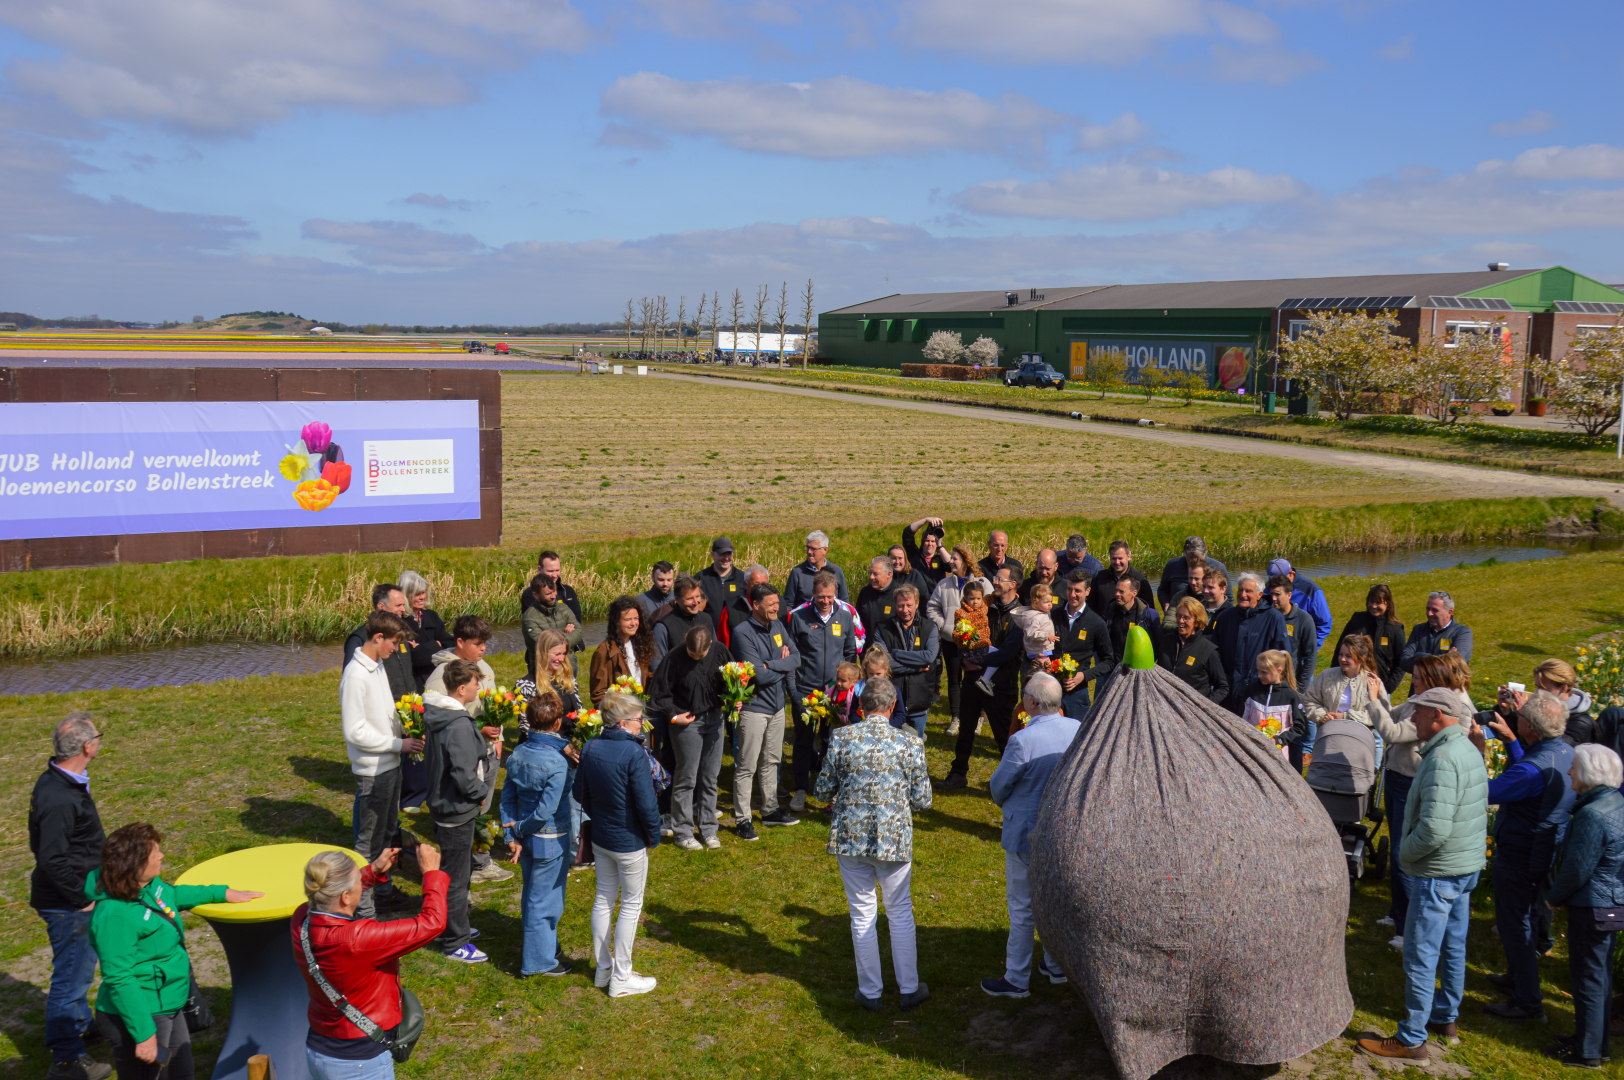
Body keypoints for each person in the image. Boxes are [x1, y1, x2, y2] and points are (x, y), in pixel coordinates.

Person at [1358, 688, 1487, 1063]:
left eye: (1418, 713)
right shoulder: (1467, 748)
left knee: (1420, 952)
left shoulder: (1443, 759)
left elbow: (1432, 830)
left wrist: (1405, 856)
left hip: (1439, 870)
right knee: (1453, 945)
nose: (1411, 719)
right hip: (1464, 867)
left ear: (1439, 716)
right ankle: (1446, 1018)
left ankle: (1412, 1038)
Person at [88, 824, 261, 1080]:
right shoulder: (114, 916)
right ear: (134, 865)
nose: (162, 856)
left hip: (169, 1002)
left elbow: (174, 895)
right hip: (143, 1015)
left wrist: (222, 892)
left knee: (181, 1071)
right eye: (154, 852)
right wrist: (145, 1035)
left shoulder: (148, 886)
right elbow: (120, 979)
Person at [813, 677, 933, 1013]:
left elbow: (822, 791)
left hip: (852, 839)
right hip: (894, 839)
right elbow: (923, 800)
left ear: (861, 707)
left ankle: (870, 992)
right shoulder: (909, 743)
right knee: (899, 911)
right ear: (892, 706)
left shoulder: (842, 738)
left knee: (862, 913)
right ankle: (909, 988)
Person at [293, 845, 447, 1080]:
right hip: (359, 1064)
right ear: (345, 896)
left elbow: (332, 896)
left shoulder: (301, 919)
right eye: (357, 883)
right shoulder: (358, 940)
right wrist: (431, 874)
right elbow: (432, 922)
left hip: (319, 1049)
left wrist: (372, 872)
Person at [1477, 690, 1576, 1022]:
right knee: (1527, 919)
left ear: (1531, 726)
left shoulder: (1534, 768)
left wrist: (1480, 752)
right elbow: (1529, 777)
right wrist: (1509, 741)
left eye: (1520, 716)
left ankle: (1528, 1002)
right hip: (1545, 850)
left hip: (1521, 851)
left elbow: (1488, 791)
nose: (1514, 717)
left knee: (1514, 923)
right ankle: (1517, 978)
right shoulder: (1563, 752)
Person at [981, 673, 1080, 998]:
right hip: (1062, 831)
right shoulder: (1077, 729)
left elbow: (998, 787)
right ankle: (1055, 965)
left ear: (1033, 702)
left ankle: (1016, 978)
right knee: (1054, 900)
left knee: (1023, 908)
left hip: (1025, 831)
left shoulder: (1022, 740)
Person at [1369, 655, 1471, 949]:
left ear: (1428, 679)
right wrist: (1380, 697)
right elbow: (1393, 715)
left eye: (1415, 676)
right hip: (1397, 777)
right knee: (1398, 846)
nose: (1411, 680)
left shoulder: (1433, 709)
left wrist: (1375, 699)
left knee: (1405, 852)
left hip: (1410, 781)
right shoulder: (1418, 700)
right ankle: (1398, 914)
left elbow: (1392, 731)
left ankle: (1410, 929)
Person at [30, 715, 110, 1080]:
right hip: (67, 904)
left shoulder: (61, 780)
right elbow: (50, 858)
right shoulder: (60, 797)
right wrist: (80, 898)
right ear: (86, 747)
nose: (99, 741)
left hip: (72, 895)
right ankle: (66, 1060)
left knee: (80, 967)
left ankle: (81, 1025)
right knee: (71, 978)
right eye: (98, 736)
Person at [573, 691, 662, 997]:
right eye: (639, 720)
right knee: (631, 905)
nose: (642, 725)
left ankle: (603, 969)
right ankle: (622, 977)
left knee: (603, 899)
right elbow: (647, 803)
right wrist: (654, 835)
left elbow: (577, 792)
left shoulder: (591, 745)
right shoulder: (634, 754)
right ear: (623, 722)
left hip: (601, 838)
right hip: (629, 840)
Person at [1543, 744, 1624, 1068]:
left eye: (1574, 767)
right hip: (1613, 902)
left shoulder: (1592, 813)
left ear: (1590, 774)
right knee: (1600, 977)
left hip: (1591, 906)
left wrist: (1553, 897)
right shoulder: (1615, 802)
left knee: (1588, 979)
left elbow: (1577, 867)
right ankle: (1595, 1043)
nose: (1569, 772)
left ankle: (1587, 1053)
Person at [341, 610, 423, 918]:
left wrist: (405, 727)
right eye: (394, 642)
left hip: (391, 765)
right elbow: (354, 731)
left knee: (389, 832)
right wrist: (397, 743)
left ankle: (384, 893)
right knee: (368, 843)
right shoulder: (356, 675)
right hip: (373, 771)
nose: (396, 649)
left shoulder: (376, 666)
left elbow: (383, 713)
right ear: (378, 638)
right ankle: (363, 909)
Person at [424, 659, 501, 963]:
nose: (479, 688)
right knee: (456, 878)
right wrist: (481, 793)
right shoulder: (456, 724)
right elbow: (464, 775)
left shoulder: (445, 717)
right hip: (456, 810)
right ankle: (455, 942)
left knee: (453, 873)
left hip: (446, 806)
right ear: (461, 688)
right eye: (475, 683)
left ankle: (453, 926)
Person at [422, 616, 505, 885]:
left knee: (483, 808)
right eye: (477, 644)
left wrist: (499, 735)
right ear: (459, 642)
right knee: (470, 805)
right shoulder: (441, 677)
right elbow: (443, 722)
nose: (483, 649)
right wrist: (479, 732)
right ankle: (465, 866)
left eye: (485, 644)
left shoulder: (483, 667)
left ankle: (479, 860)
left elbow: (493, 704)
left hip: (489, 751)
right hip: (466, 756)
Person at [502, 693, 574, 977]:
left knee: (533, 894)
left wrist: (512, 836)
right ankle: (538, 963)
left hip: (526, 840)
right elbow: (546, 811)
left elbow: (507, 799)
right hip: (550, 839)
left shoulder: (517, 753)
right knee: (545, 901)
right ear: (557, 723)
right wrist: (518, 830)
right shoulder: (557, 763)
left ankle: (546, 945)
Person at [728, 582, 802, 837]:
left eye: (777, 603)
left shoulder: (778, 625)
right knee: (747, 765)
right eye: (770, 604)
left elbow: (797, 658)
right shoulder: (742, 632)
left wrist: (773, 666)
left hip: (777, 707)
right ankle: (742, 819)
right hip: (753, 708)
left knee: (772, 760)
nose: (776, 607)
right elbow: (757, 675)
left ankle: (770, 810)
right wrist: (780, 665)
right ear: (755, 605)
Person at [649, 624, 731, 850]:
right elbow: (658, 695)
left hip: (714, 719)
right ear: (686, 643)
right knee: (686, 778)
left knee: (710, 777)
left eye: (700, 655)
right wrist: (674, 717)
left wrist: (736, 695)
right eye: (692, 654)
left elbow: (733, 676)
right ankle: (683, 832)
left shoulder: (720, 651)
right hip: (687, 723)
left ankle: (709, 829)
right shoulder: (674, 658)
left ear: (710, 646)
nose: (696, 658)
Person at [787, 572, 860, 809]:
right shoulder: (798, 617)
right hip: (806, 691)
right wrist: (794, 692)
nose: (826, 601)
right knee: (803, 740)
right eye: (821, 597)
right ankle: (800, 789)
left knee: (833, 741)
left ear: (835, 594)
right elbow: (789, 657)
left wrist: (847, 689)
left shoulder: (845, 616)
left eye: (830, 597)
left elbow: (850, 653)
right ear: (813, 594)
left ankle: (830, 789)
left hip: (835, 693)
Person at [948, 568, 1023, 782]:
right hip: (972, 681)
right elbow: (964, 635)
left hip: (1001, 686)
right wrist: (963, 658)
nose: (995, 582)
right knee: (965, 731)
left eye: (1000, 579)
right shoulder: (984, 607)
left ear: (1012, 585)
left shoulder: (1020, 615)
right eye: (995, 578)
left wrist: (978, 660)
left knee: (1004, 737)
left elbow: (1008, 653)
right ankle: (958, 773)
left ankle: (1012, 781)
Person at [927, 548, 993, 737]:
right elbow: (932, 608)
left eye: (955, 559)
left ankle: (978, 717)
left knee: (977, 678)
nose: (951, 562)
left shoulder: (982, 583)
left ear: (965, 561)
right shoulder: (944, 584)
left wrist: (979, 629)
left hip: (976, 643)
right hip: (952, 640)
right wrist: (944, 626)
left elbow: (990, 606)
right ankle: (956, 718)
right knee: (955, 680)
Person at [1302, 635, 1390, 775]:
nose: (1343, 659)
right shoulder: (1327, 676)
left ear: (1362, 658)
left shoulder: (1372, 682)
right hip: (1328, 742)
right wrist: (1323, 715)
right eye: (1341, 654)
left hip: (1358, 745)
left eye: (1348, 656)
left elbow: (1381, 715)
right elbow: (1309, 700)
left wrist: (1345, 716)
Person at [1214, 572, 1289, 715]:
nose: (1243, 594)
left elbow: (1282, 654)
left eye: (1248, 591)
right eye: (1240, 590)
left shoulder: (1273, 618)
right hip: (1228, 690)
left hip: (1258, 690)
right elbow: (1215, 651)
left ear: (1260, 594)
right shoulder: (1225, 617)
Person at [1483, 659, 1595, 747]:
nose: (1538, 693)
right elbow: (1515, 737)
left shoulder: (1580, 723)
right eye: (1537, 687)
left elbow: (1550, 749)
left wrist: (1527, 717)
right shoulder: (1542, 705)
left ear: (1563, 689)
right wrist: (1505, 711)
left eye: (1544, 689)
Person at [879, 584, 939, 739]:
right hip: (891, 699)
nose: (905, 610)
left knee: (917, 746)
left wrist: (897, 653)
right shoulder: (883, 629)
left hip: (920, 699)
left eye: (909, 605)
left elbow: (929, 657)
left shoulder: (930, 627)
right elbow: (883, 664)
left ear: (917, 604)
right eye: (900, 605)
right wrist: (916, 668)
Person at [1051, 569, 1113, 718]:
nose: (1072, 595)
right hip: (1051, 688)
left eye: (1078, 591)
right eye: (1069, 589)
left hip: (1076, 694)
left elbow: (1109, 661)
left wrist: (1084, 676)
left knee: (1078, 738)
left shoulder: (1096, 623)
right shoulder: (1053, 616)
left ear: (1088, 591)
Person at [342, 584, 415, 698]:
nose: (403, 609)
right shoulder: (360, 638)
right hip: (381, 707)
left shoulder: (399, 632)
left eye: (403, 605)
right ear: (381, 606)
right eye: (398, 605)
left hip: (407, 707)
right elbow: (350, 681)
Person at [1334, 584, 1406, 694]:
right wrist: (1334, 674)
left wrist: (1388, 688)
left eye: (1379, 603)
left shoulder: (1395, 629)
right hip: (1350, 683)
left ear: (1388, 604)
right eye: (1371, 601)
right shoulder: (1357, 619)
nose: (1374, 606)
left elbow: (1401, 663)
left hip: (1379, 688)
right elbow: (1340, 647)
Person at [1157, 597, 1227, 704]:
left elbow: (1222, 688)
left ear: (1197, 621)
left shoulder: (1208, 650)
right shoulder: (1166, 641)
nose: (1180, 621)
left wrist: (1205, 705)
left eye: (1186, 618)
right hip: (1165, 706)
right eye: (1179, 616)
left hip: (1192, 712)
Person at [589, 596, 655, 705]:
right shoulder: (604, 651)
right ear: (616, 621)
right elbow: (598, 694)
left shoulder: (639, 645)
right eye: (627, 619)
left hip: (642, 709)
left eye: (636, 618)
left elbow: (640, 677)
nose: (633, 623)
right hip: (621, 714)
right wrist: (615, 714)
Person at [1239, 651, 1307, 755]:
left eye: (1264, 672)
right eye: (1258, 671)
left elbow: (1299, 727)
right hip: (1251, 748)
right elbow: (1241, 718)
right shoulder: (1251, 690)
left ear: (1279, 671)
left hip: (1278, 752)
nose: (1259, 675)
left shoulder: (1291, 696)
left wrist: (1278, 740)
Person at [518, 629, 584, 735]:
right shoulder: (526, 685)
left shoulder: (567, 678)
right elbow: (527, 729)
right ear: (543, 653)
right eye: (557, 654)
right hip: (544, 745)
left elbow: (580, 710)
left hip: (572, 740)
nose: (562, 659)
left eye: (564, 653)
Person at [397, 571, 452, 691]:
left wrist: (421, 649)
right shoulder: (398, 621)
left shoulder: (432, 616)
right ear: (406, 595)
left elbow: (450, 644)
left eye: (423, 592)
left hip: (436, 679)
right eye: (417, 594)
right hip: (412, 684)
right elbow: (409, 658)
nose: (423, 597)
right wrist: (435, 645)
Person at [522, 576, 583, 682]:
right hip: (544, 673)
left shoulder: (563, 608)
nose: (553, 596)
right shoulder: (529, 618)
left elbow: (578, 632)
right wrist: (566, 636)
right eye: (548, 594)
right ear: (535, 595)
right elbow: (543, 644)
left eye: (554, 591)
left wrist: (558, 641)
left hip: (568, 668)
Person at [1399, 590, 1474, 674]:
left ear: (1449, 612)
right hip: (1421, 687)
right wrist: (1444, 659)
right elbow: (1404, 662)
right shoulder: (1418, 630)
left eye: (1435, 610)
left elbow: (1455, 665)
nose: (1429, 613)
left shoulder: (1462, 633)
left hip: (1446, 687)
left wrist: (1419, 656)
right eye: (1428, 609)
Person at [1266, 558, 1331, 652]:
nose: (1274, 585)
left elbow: (1325, 623)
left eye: (1279, 580)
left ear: (1291, 574)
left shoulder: (1311, 590)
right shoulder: (1268, 589)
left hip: (1300, 653)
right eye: (1271, 581)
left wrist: (1310, 648)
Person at [1104, 577, 1159, 684]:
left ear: (1134, 593)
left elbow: (1158, 644)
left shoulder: (1149, 615)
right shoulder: (1109, 613)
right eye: (1116, 590)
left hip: (1140, 672)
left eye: (1121, 591)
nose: (1117, 594)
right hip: (1113, 671)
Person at [1267, 573, 1319, 685]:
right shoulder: (1267, 616)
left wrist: (1301, 688)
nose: (1273, 598)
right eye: (1271, 594)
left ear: (1289, 595)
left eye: (1277, 594)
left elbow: (1311, 656)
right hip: (1268, 680)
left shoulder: (1304, 620)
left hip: (1293, 682)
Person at [652, 575, 716, 661]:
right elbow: (658, 665)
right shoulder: (663, 627)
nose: (695, 602)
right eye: (690, 598)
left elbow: (715, 651)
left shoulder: (707, 619)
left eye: (697, 597)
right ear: (677, 599)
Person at [1156, 536, 1230, 610]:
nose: (1193, 562)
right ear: (1184, 554)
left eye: (1198, 558)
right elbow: (1162, 590)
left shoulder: (1218, 567)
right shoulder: (1172, 565)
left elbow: (1229, 597)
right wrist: (1165, 604)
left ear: (1205, 554)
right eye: (1189, 558)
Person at [784, 530, 850, 609]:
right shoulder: (797, 572)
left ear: (825, 550)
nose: (809, 552)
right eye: (808, 547)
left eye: (813, 549)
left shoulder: (836, 571)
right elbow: (788, 605)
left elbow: (844, 603)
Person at [1089, 541, 1154, 617]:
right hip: (1104, 625)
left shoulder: (1140, 579)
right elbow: (1091, 605)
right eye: (1114, 558)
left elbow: (1150, 609)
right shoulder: (1100, 577)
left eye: (1120, 558)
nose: (1117, 562)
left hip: (1130, 626)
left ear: (1129, 557)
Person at [719, 564, 772, 648]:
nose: (761, 589)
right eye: (756, 585)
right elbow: (723, 646)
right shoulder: (731, 609)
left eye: (765, 585)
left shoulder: (780, 605)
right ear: (745, 584)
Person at [521, 549, 582, 623]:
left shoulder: (569, 591)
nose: (554, 575)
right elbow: (536, 622)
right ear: (539, 569)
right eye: (550, 571)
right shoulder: (529, 594)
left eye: (557, 570)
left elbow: (577, 620)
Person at [698, 536, 743, 623]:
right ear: (713, 555)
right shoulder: (701, 578)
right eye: (722, 554)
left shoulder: (742, 579)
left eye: (729, 554)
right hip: (709, 633)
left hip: (735, 634)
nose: (726, 558)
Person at [1159, 556, 1207, 632]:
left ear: (1205, 578)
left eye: (1197, 579)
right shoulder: (1178, 597)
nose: (1193, 582)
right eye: (1190, 578)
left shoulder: (1210, 599)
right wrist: (1186, 628)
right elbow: (1167, 624)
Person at [856, 556, 899, 638]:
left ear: (889, 574)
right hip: (866, 648)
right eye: (870, 573)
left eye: (876, 574)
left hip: (889, 649)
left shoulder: (898, 595)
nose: (871, 577)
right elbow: (857, 621)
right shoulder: (865, 592)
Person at [901, 517, 951, 587]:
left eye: (933, 541)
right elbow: (907, 534)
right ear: (922, 541)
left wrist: (940, 545)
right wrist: (925, 520)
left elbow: (951, 566)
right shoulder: (914, 555)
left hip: (936, 596)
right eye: (927, 541)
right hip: (917, 596)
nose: (930, 544)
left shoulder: (940, 559)